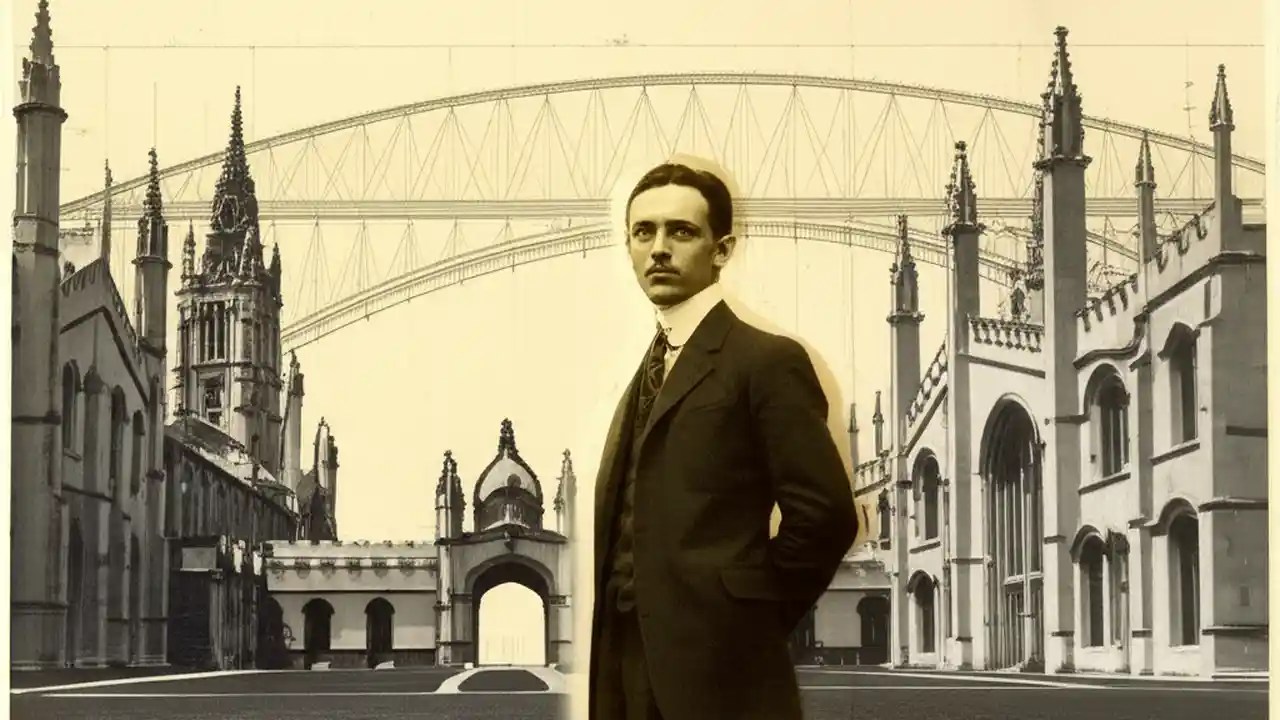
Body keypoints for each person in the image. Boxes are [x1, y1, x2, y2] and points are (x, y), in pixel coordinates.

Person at [589, 160, 858, 720]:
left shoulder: (765, 360)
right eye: (643, 232)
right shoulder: (645, 371)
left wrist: (746, 622)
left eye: (681, 232)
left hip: (725, 680)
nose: (658, 249)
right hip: (624, 674)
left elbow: (826, 517)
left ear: (722, 249)